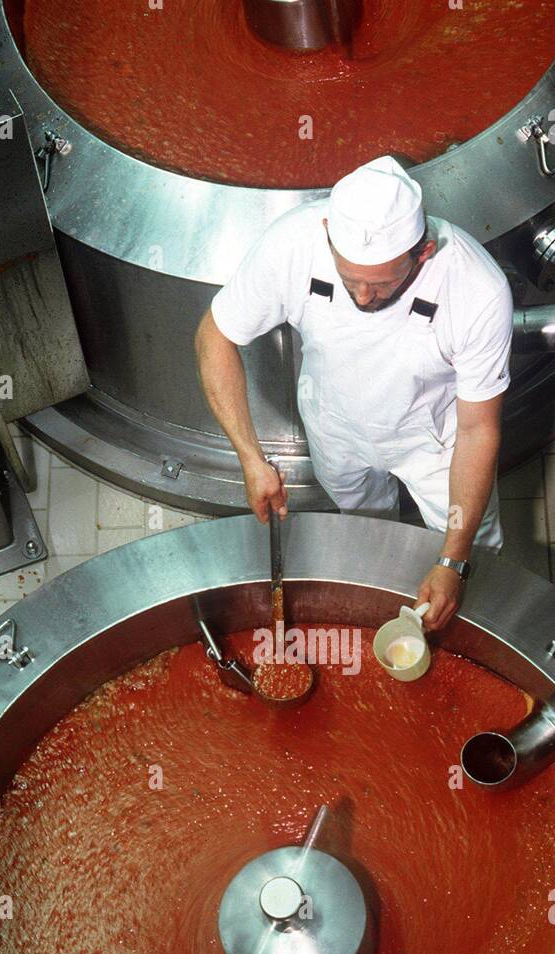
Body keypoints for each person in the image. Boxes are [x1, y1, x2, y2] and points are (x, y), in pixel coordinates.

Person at [195, 155, 513, 631]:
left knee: (475, 559)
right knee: (369, 539)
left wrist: (454, 560)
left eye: (383, 285)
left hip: (439, 444)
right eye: (350, 282)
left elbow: (478, 429)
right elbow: (214, 337)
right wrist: (250, 458)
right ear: (327, 232)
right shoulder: (293, 243)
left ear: (422, 252)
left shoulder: (477, 288)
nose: (364, 298)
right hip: (336, 428)